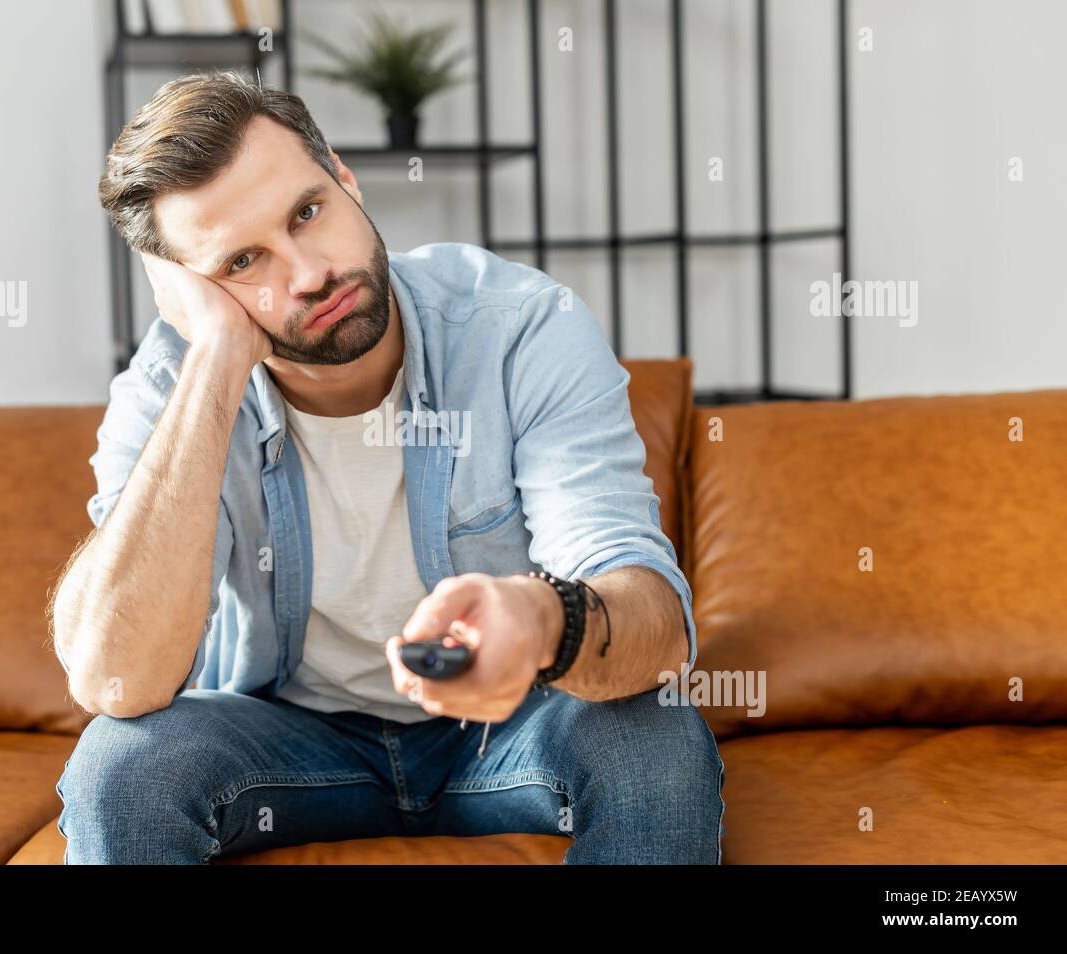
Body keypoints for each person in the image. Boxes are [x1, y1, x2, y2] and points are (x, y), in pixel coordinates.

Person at [50, 69, 724, 864]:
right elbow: (115, 684)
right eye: (243, 263)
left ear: (343, 175)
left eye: (307, 212)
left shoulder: (519, 328)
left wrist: (546, 621)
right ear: (190, 294)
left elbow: (652, 618)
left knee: (655, 736)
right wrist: (217, 362)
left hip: (510, 726)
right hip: (289, 742)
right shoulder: (171, 383)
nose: (308, 274)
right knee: (118, 768)